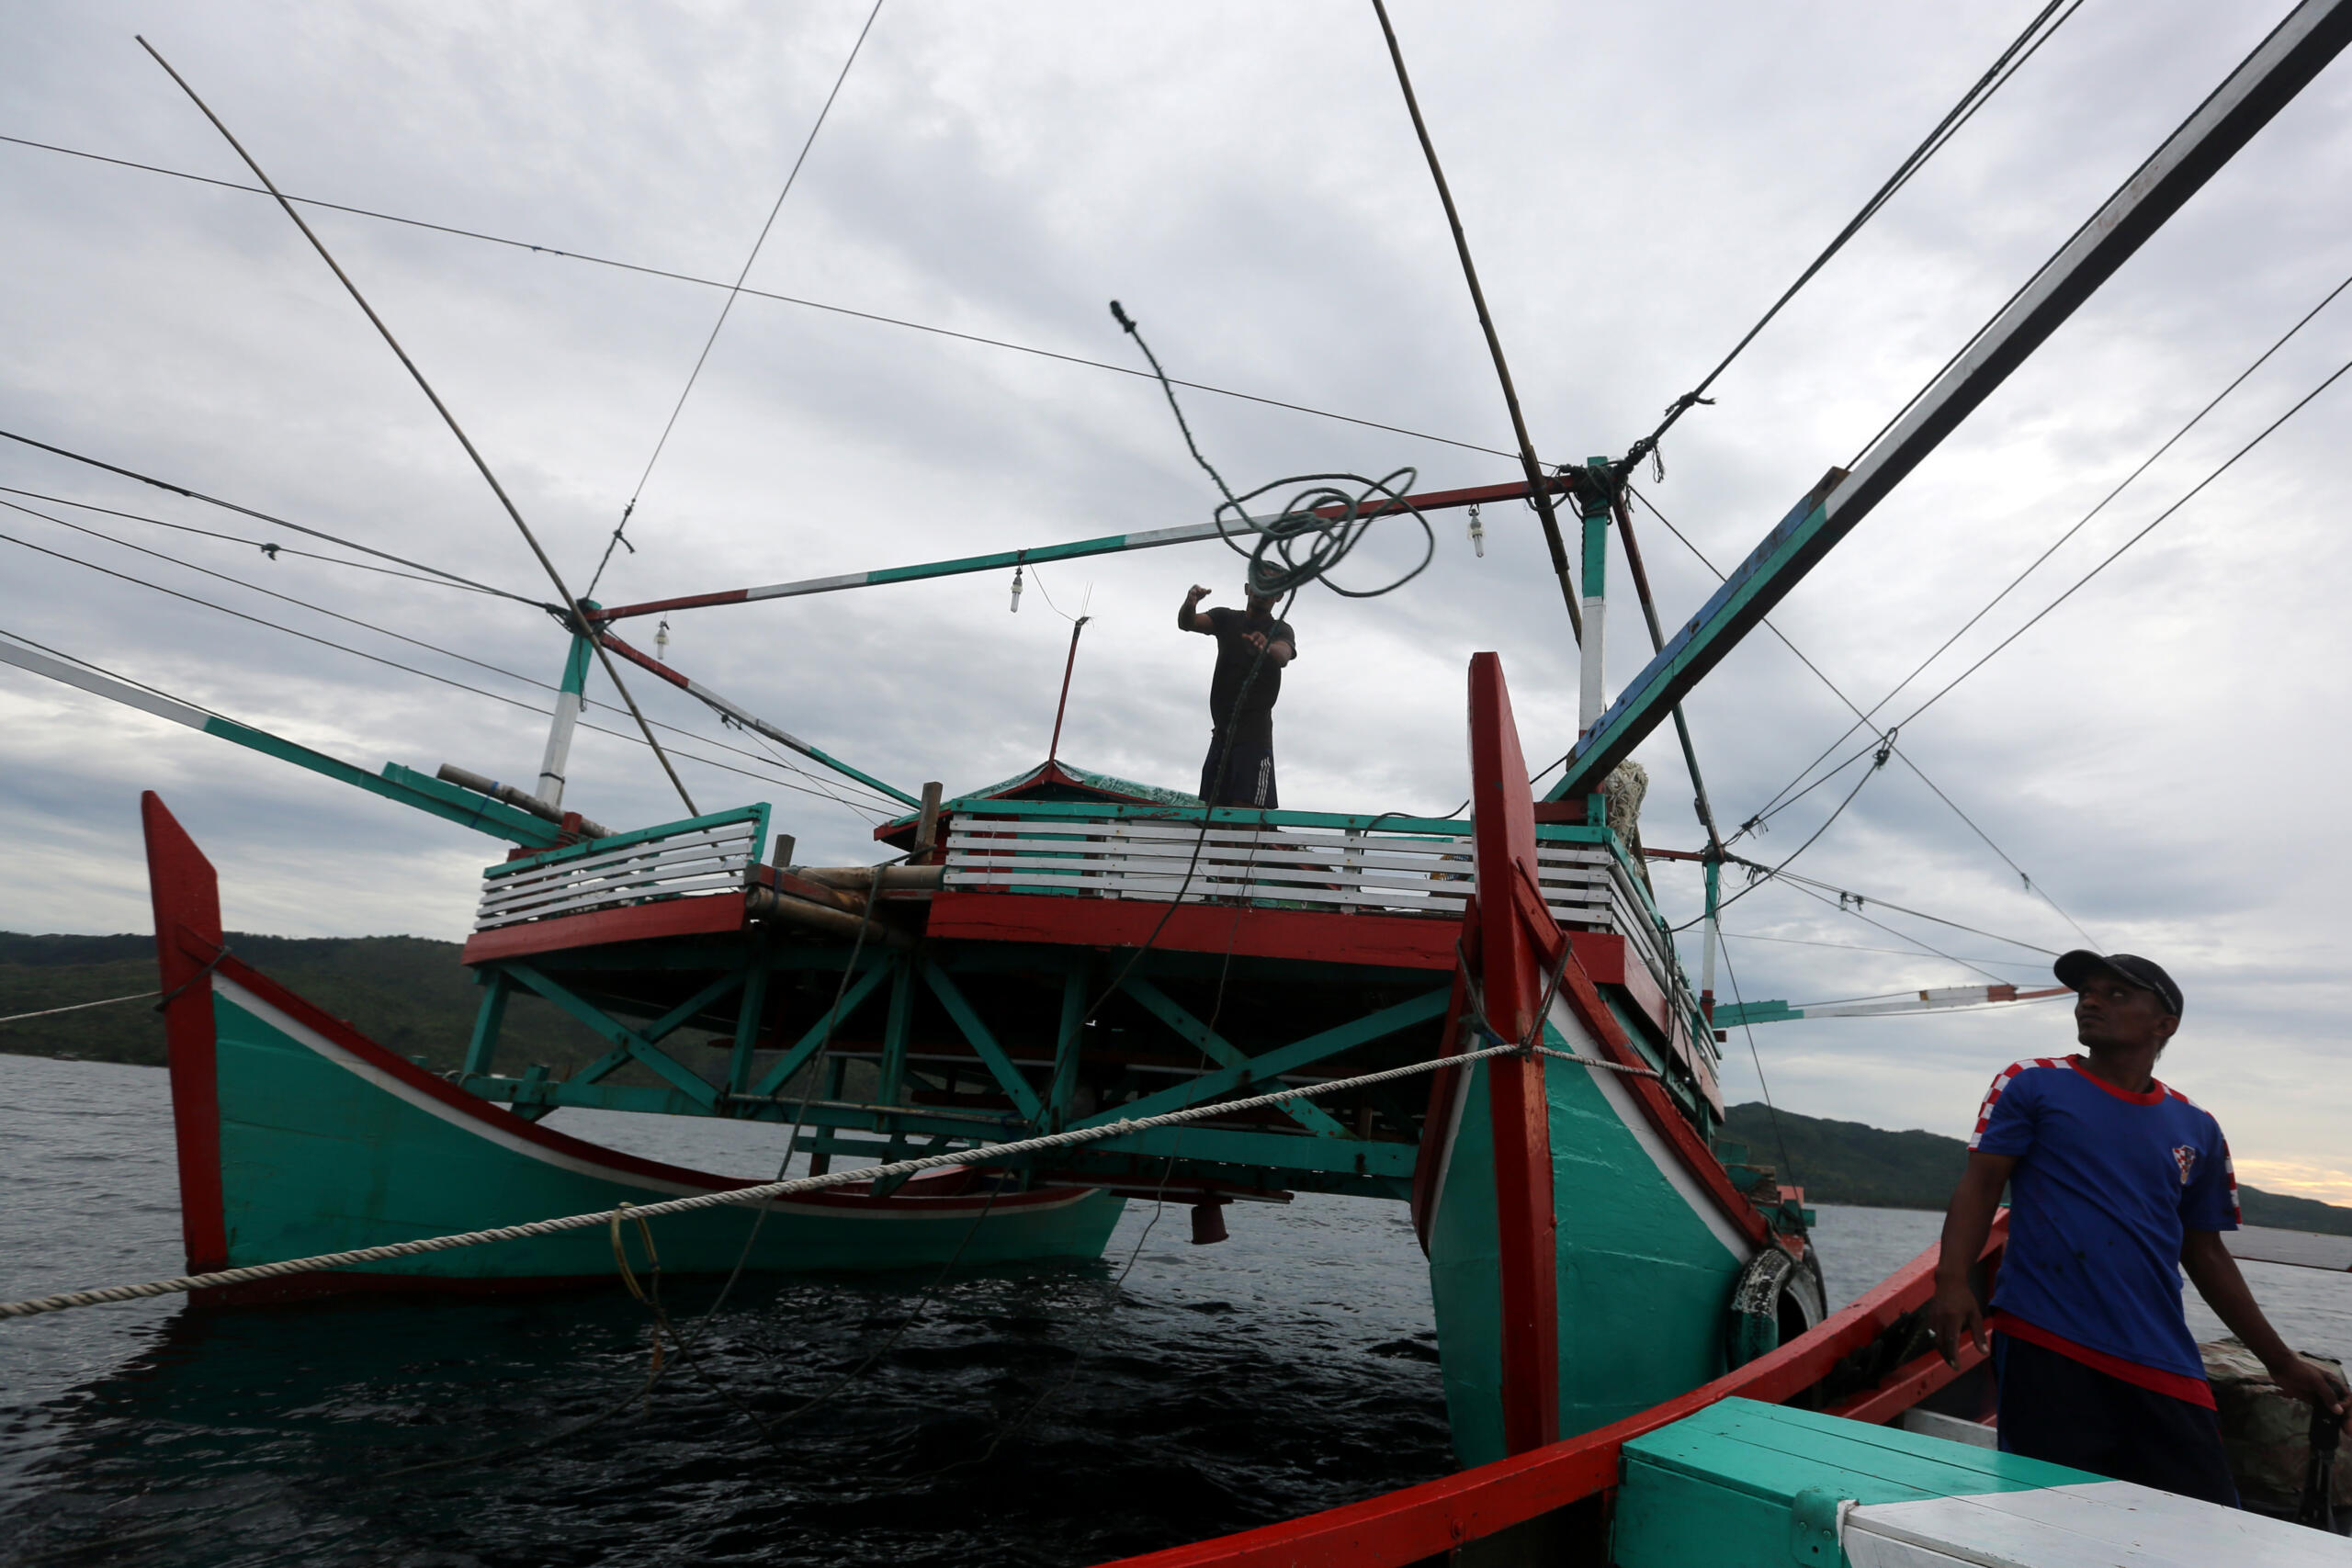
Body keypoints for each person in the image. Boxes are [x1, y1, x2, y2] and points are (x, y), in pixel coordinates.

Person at [1931, 950, 2347, 1506]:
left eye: (2117, 994)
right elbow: (1981, 1186)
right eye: (2086, 993)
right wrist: (1952, 1280)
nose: (2091, 1002)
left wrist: (2281, 1363)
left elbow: (2206, 1253)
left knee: (2206, 1519)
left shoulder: (2196, 1126)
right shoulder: (2030, 1084)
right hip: (2047, 1339)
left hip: (2160, 1354)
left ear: (2165, 1024)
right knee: (2051, 1519)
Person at [1178, 581, 1295, 808]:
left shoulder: (1281, 630)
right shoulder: (1226, 618)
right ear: (1247, 588)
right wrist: (1190, 604)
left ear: (1279, 596)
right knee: (1215, 814)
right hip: (1220, 736)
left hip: (1254, 740)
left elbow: (1284, 654)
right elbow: (1187, 622)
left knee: (1246, 814)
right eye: (1260, 584)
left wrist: (1268, 647)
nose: (1263, 591)